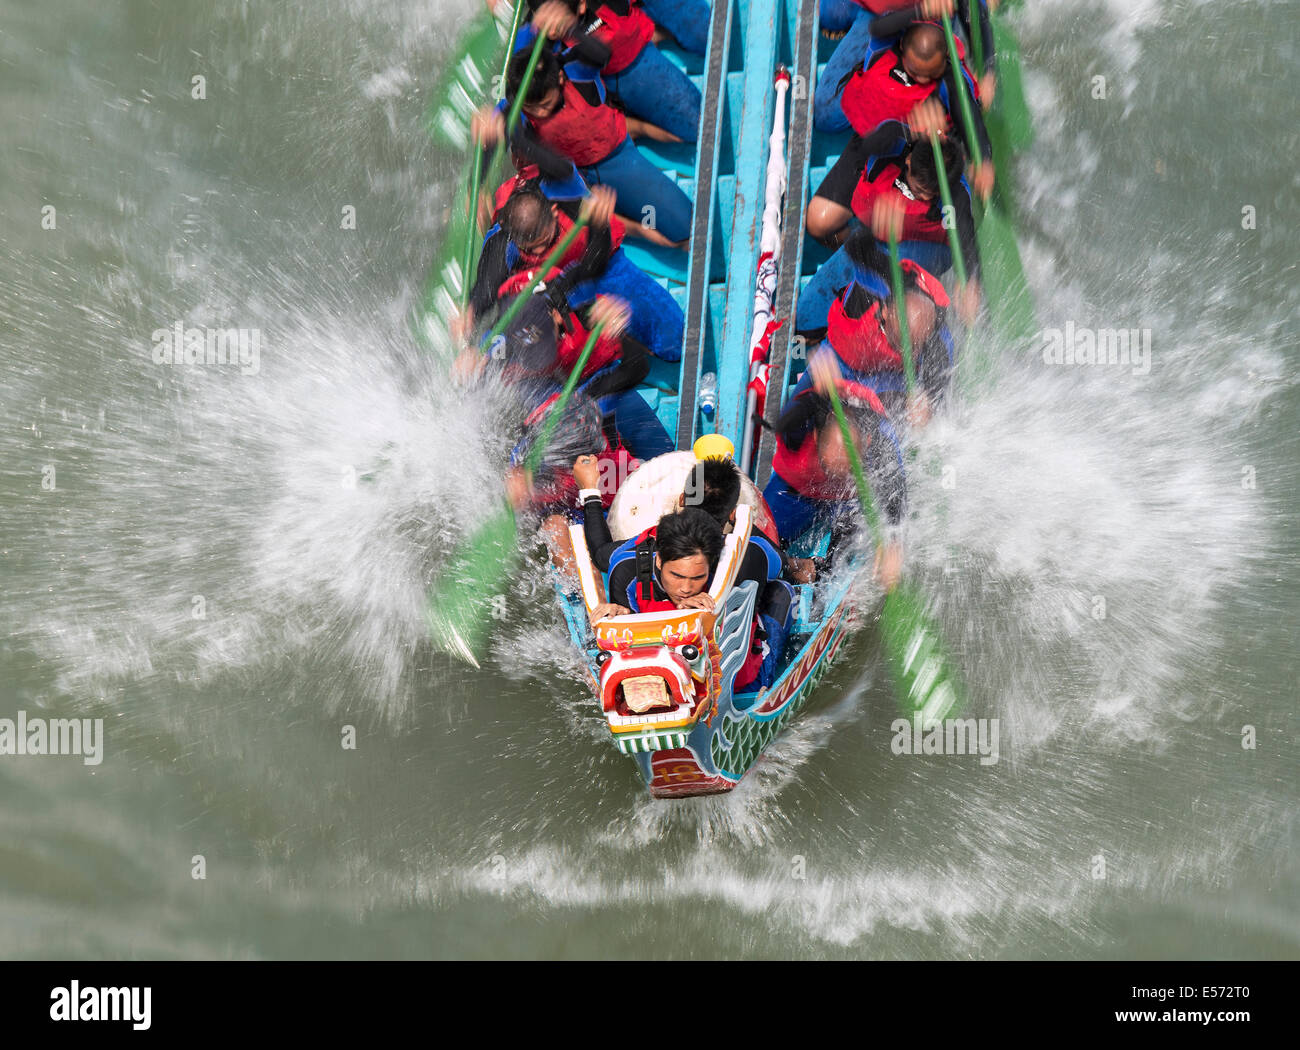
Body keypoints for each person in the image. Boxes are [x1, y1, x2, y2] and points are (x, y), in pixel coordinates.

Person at [460, 173, 685, 362]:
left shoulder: (568, 197)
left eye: (544, 242)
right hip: (559, 292)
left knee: (675, 340)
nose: (539, 252)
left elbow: (595, 262)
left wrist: (599, 227)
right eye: (531, 249)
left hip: (600, 265)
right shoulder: (502, 244)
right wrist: (471, 319)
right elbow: (485, 290)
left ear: (554, 213)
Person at [505, 47, 693, 247]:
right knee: (633, 226)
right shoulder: (517, 113)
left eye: (545, 104)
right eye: (531, 108)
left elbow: (601, 54)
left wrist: (569, 31)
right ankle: (642, 230)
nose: (540, 112)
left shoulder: (574, 72)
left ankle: (643, 131)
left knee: (682, 223)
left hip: (617, 151)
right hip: (585, 173)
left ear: (560, 79)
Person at [802, 120, 981, 325]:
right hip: (874, 226)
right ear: (909, 161)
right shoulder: (893, 143)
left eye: (930, 194)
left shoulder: (956, 196)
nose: (922, 197)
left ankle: (892, 299)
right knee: (821, 228)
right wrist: (874, 211)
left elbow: (967, 240)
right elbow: (865, 142)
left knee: (879, 262)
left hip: (923, 246)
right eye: (919, 190)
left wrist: (969, 279)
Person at [763, 353, 906, 591]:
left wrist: (892, 544)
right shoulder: (802, 427)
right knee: (765, 539)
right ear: (817, 436)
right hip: (798, 491)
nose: (837, 474)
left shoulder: (879, 440)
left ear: (867, 443)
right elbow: (782, 421)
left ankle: (824, 574)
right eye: (831, 465)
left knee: (844, 557)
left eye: (846, 468)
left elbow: (895, 490)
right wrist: (814, 385)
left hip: (848, 500)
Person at [794, 228, 956, 425]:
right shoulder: (864, 298)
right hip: (844, 355)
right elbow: (858, 245)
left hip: (889, 375)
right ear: (885, 314)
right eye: (900, 346)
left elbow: (939, 379)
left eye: (914, 348)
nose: (910, 354)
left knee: (911, 411)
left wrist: (927, 403)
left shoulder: (932, 333)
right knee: (799, 404)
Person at [821, 22, 994, 204]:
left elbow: (971, 119)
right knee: (819, 220)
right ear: (903, 46)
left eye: (930, 74)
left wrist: (983, 158)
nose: (922, 79)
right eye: (915, 72)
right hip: (879, 137)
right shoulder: (886, 42)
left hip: (920, 160)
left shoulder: (949, 82)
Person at [523, 0, 702, 143]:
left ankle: (662, 31)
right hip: (620, 71)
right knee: (695, 126)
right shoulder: (540, 41)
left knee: (703, 28)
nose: (552, 29)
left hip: (632, 47)